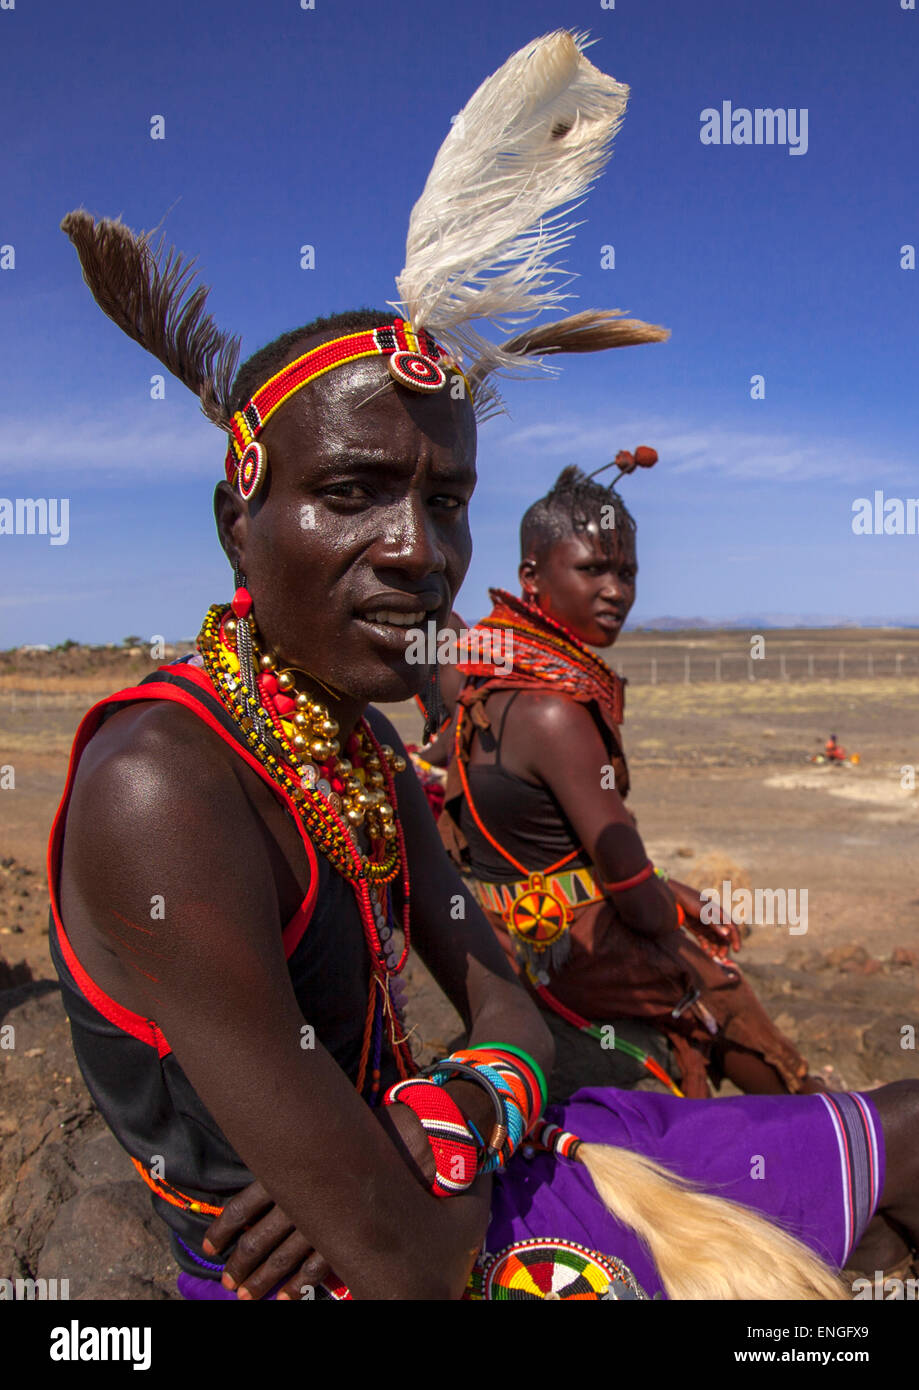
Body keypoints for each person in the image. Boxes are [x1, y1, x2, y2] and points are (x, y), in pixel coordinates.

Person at [47, 33, 918, 1301]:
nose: (416, 550)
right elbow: (404, 1259)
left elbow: (506, 1005)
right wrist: (400, 1156)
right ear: (242, 522)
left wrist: (444, 1109)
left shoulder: (351, 749)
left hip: (440, 1177)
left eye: (444, 499)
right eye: (351, 493)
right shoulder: (163, 790)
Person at [439, 463, 828, 1102]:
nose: (616, 590)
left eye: (627, 574)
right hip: (575, 955)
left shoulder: (487, 669)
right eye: (593, 569)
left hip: (511, 933)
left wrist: (675, 889)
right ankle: (824, 1137)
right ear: (531, 577)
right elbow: (639, 904)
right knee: (721, 994)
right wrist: (676, 908)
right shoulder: (554, 709)